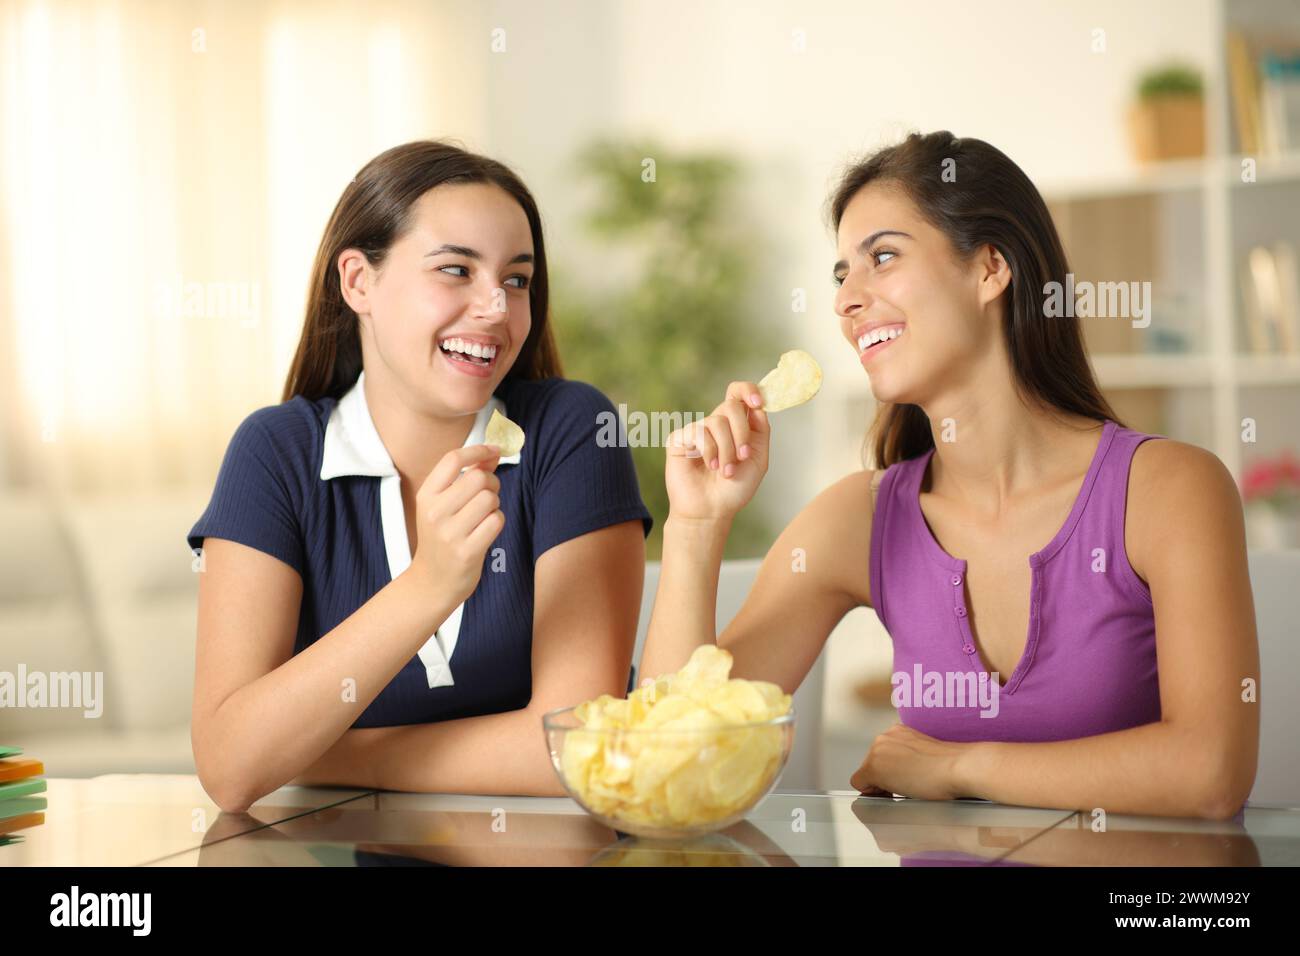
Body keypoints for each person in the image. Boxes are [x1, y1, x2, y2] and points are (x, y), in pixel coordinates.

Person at [640, 130, 1259, 821]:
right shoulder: (861, 519)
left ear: (990, 268)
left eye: (882, 257)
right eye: (841, 274)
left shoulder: (1170, 491)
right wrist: (697, 523)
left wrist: (961, 765)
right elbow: (677, 760)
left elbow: (1211, 771)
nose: (848, 298)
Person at [188, 141, 652, 812]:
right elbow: (231, 768)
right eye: (456, 270)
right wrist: (430, 585)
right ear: (359, 282)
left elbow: (577, 748)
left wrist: (325, 752)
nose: (496, 306)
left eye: (516, 279)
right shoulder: (274, 453)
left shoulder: (571, 430)